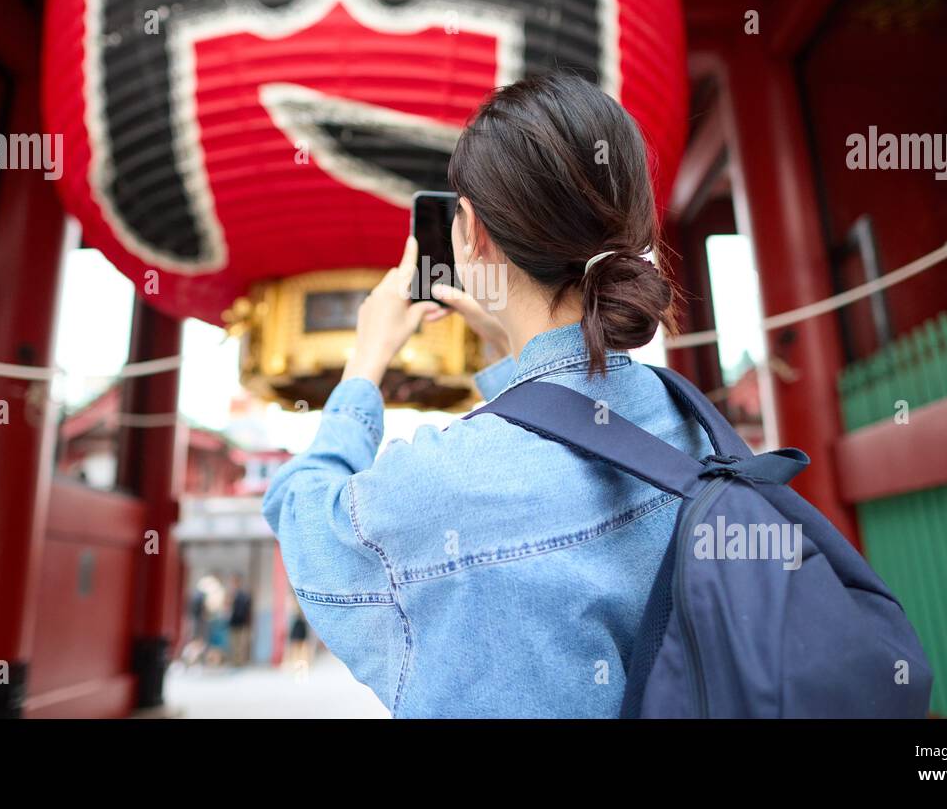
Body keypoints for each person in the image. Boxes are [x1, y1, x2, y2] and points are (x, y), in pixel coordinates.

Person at [262, 73, 711, 717]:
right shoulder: (693, 424)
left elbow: (302, 518)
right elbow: (569, 428)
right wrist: (510, 347)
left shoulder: (446, 482)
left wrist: (364, 362)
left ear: (470, 232)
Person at [227, 575, 253, 667]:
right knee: (233, 643)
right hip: (233, 622)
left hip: (241, 622)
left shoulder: (243, 595)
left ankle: (240, 661)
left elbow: (246, 609)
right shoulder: (231, 594)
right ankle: (234, 661)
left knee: (241, 643)